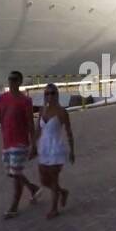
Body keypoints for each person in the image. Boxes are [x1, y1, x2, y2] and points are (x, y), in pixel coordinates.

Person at [0, 71, 41, 219]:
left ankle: (14, 207)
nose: (11, 81)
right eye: (9, 79)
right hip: (7, 141)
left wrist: (34, 145)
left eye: (14, 79)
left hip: (20, 142)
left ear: (20, 82)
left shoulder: (25, 101)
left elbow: (30, 124)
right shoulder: (2, 98)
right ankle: (33, 188)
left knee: (15, 175)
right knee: (12, 172)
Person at [34, 83, 75, 220]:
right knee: (44, 180)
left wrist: (72, 151)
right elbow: (38, 130)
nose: (49, 96)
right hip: (43, 148)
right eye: (47, 93)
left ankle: (54, 209)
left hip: (56, 148)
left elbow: (69, 132)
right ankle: (63, 192)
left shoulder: (62, 112)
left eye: (52, 93)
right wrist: (33, 146)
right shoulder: (41, 110)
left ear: (57, 95)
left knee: (53, 179)